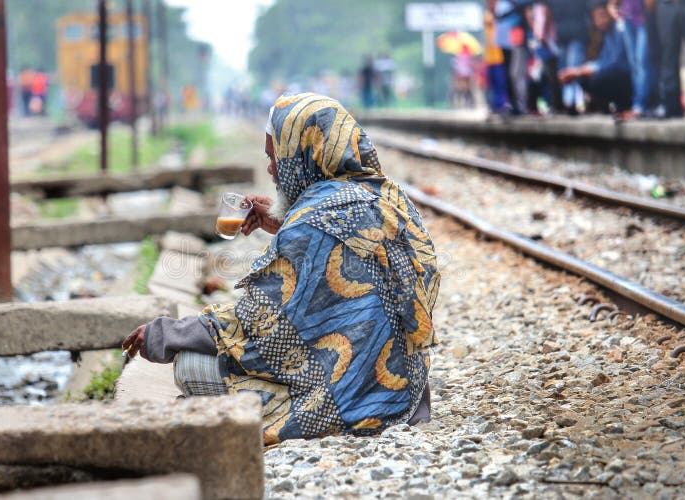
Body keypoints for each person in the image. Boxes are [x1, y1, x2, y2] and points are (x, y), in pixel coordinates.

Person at [123, 93, 441, 445]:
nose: (272, 168)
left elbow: (258, 326)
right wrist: (284, 222)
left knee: (189, 365)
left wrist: (166, 334)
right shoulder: (388, 197)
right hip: (407, 394)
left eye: (274, 156)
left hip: (353, 402)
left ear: (300, 152)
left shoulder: (312, 220)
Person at [558, 1, 632, 113]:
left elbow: (616, 63)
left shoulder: (620, 29)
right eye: (596, 17)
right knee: (583, 79)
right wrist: (582, 71)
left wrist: (581, 71)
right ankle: (608, 106)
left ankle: (625, 104)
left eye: (602, 15)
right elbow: (603, 59)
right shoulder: (606, 35)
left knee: (595, 78)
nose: (600, 21)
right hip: (613, 71)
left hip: (625, 75)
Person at [608, 0, 653, 118]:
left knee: (642, 60)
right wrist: (612, 5)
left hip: (643, 17)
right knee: (634, 63)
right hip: (626, 17)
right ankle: (637, 104)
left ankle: (641, 105)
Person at [544, 0, 589, 114]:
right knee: (564, 70)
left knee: (573, 69)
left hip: (576, 33)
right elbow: (548, 13)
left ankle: (572, 101)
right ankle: (568, 102)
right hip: (562, 35)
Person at [484, 0, 509, 114]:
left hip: (500, 57)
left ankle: (502, 105)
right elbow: (491, 20)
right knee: (492, 84)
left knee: (501, 83)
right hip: (490, 58)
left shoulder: (503, 14)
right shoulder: (487, 15)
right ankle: (494, 106)